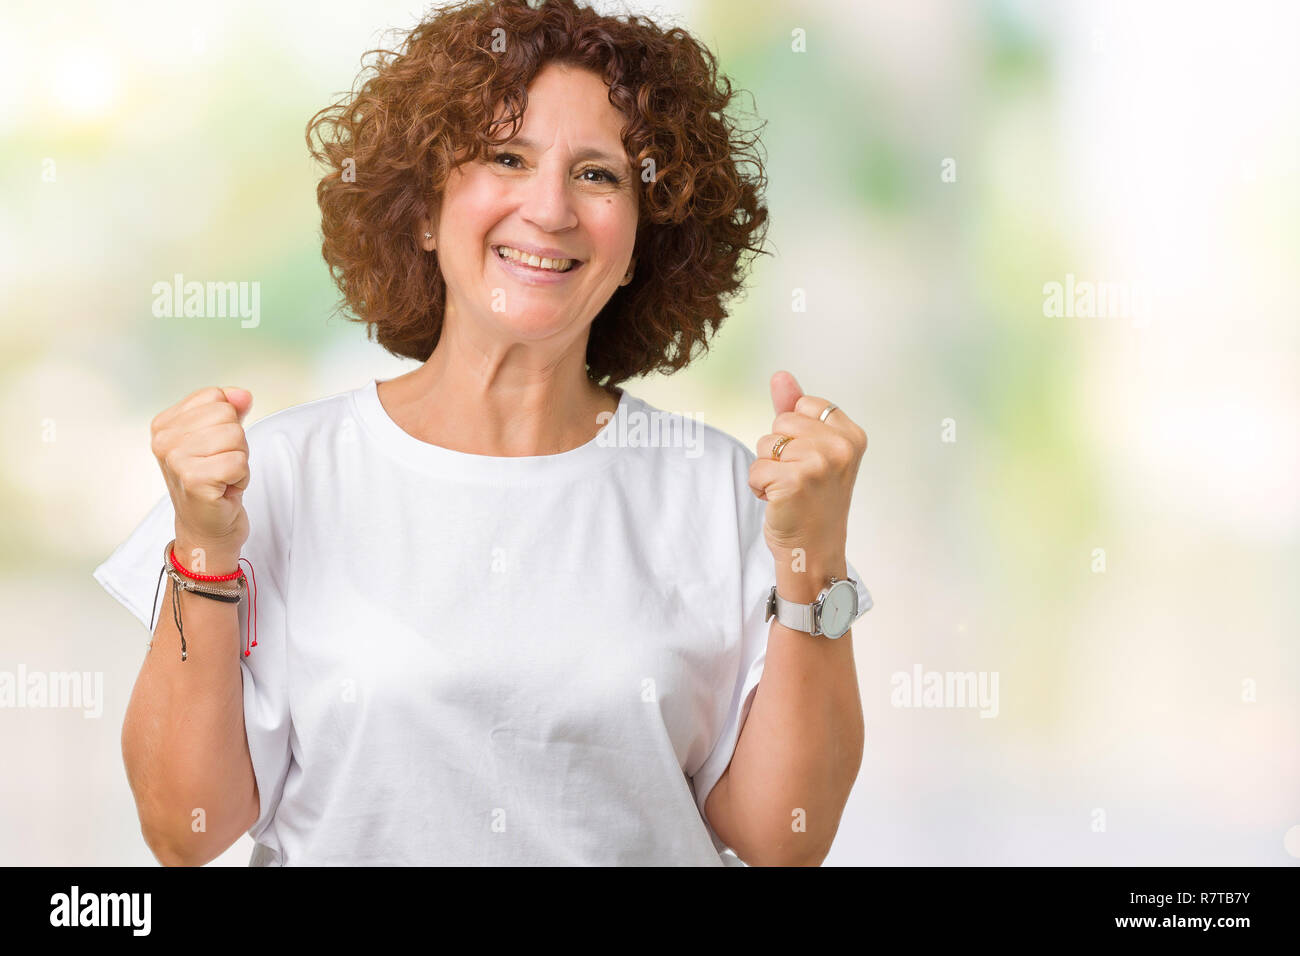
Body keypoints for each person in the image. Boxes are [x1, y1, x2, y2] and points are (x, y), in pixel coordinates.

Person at [92, 0, 871, 866]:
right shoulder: (275, 479)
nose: (549, 209)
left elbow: (781, 840)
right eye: (507, 158)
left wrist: (813, 561)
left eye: (599, 175)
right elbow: (184, 832)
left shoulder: (722, 491)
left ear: (644, 240)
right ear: (422, 214)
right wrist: (203, 551)